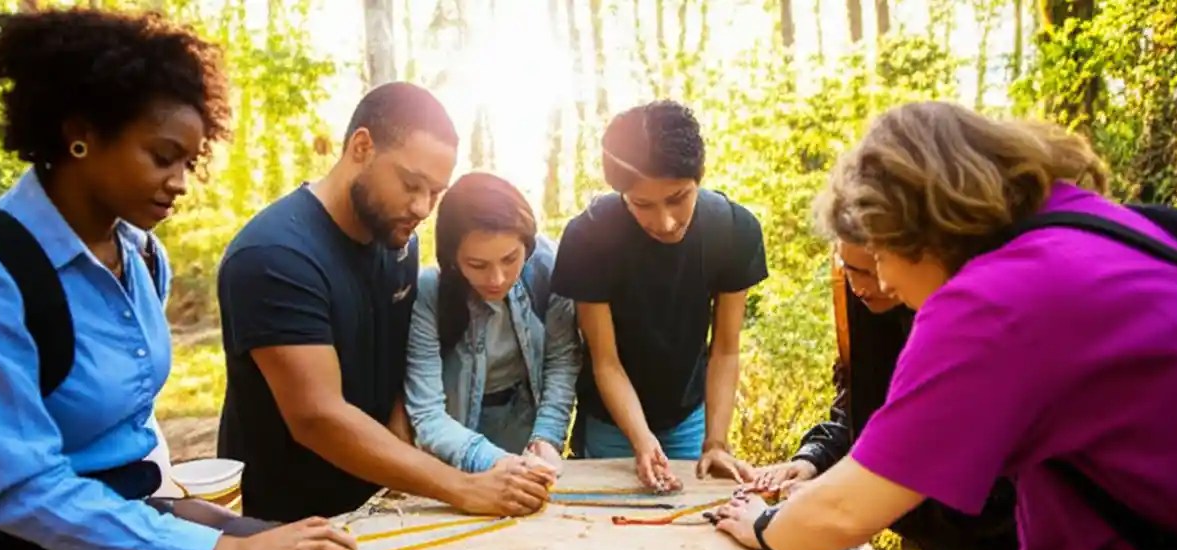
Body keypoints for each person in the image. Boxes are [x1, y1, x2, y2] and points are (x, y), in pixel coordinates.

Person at [714, 101, 1177, 550]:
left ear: (916, 228)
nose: (877, 278)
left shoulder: (995, 300)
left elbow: (848, 509)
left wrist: (762, 525)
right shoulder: (1087, 228)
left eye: (878, 249)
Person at [0, 9, 356, 550]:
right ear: (80, 134)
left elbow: (128, 430)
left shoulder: (141, 253)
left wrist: (194, 515)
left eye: (189, 163)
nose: (179, 182)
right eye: (161, 155)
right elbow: (22, 489)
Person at [218, 82, 554, 524]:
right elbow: (318, 416)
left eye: (436, 192)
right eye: (411, 184)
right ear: (362, 146)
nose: (422, 207)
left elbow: (396, 368)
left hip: (385, 499)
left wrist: (406, 473)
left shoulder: (398, 242)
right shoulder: (275, 256)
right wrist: (461, 487)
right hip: (295, 515)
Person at [753, 241, 1042, 550]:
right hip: (943, 527)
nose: (867, 284)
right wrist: (814, 461)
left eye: (874, 268)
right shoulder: (865, 299)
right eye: (850, 268)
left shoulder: (981, 299)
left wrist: (784, 520)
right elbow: (863, 406)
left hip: (1020, 523)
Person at [550, 100, 768, 491]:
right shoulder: (589, 239)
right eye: (643, 205)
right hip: (611, 424)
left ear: (698, 177)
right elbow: (606, 361)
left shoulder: (733, 232)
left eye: (678, 198)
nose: (665, 222)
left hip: (689, 417)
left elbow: (726, 349)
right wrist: (639, 437)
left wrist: (716, 442)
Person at [404, 172, 580, 475]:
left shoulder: (548, 270)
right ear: (452, 259)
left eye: (510, 259)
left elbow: (562, 360)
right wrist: (493, 461)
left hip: (523, 420)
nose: (497, 279)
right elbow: (427, 412)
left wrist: (546, 439)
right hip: (455, 437)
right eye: (478, 265)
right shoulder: (429, 293)